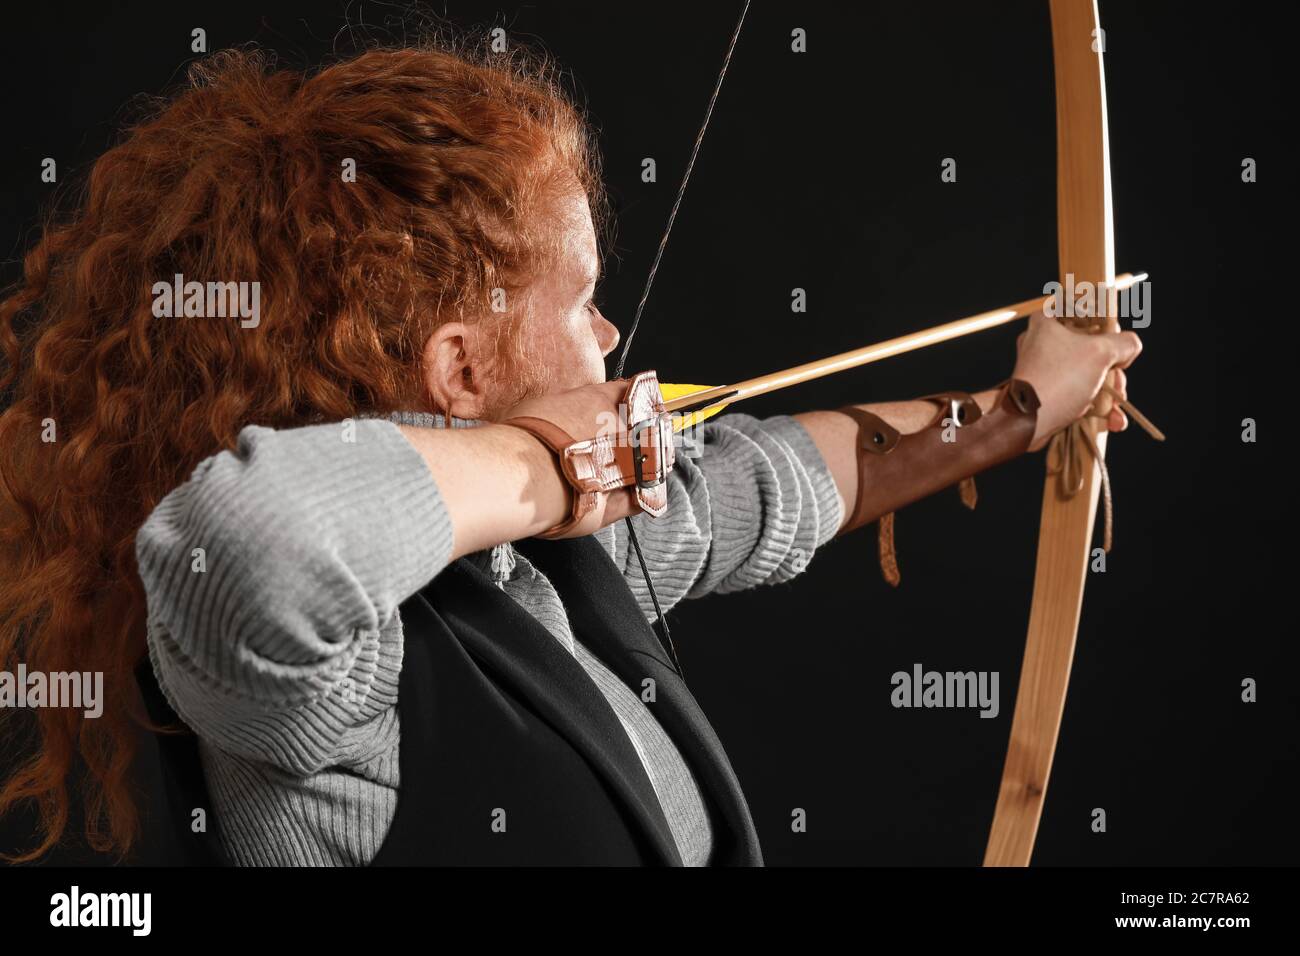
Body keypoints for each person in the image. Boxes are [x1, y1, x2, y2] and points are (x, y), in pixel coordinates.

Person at [0, 42, 1140, 866]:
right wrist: (555, 460)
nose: (610, 339)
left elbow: (775, 481)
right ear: (460, 373)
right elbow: (249, 542)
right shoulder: (327, 675)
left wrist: (1021, 405)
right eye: (584, 302)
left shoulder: (536, 563)